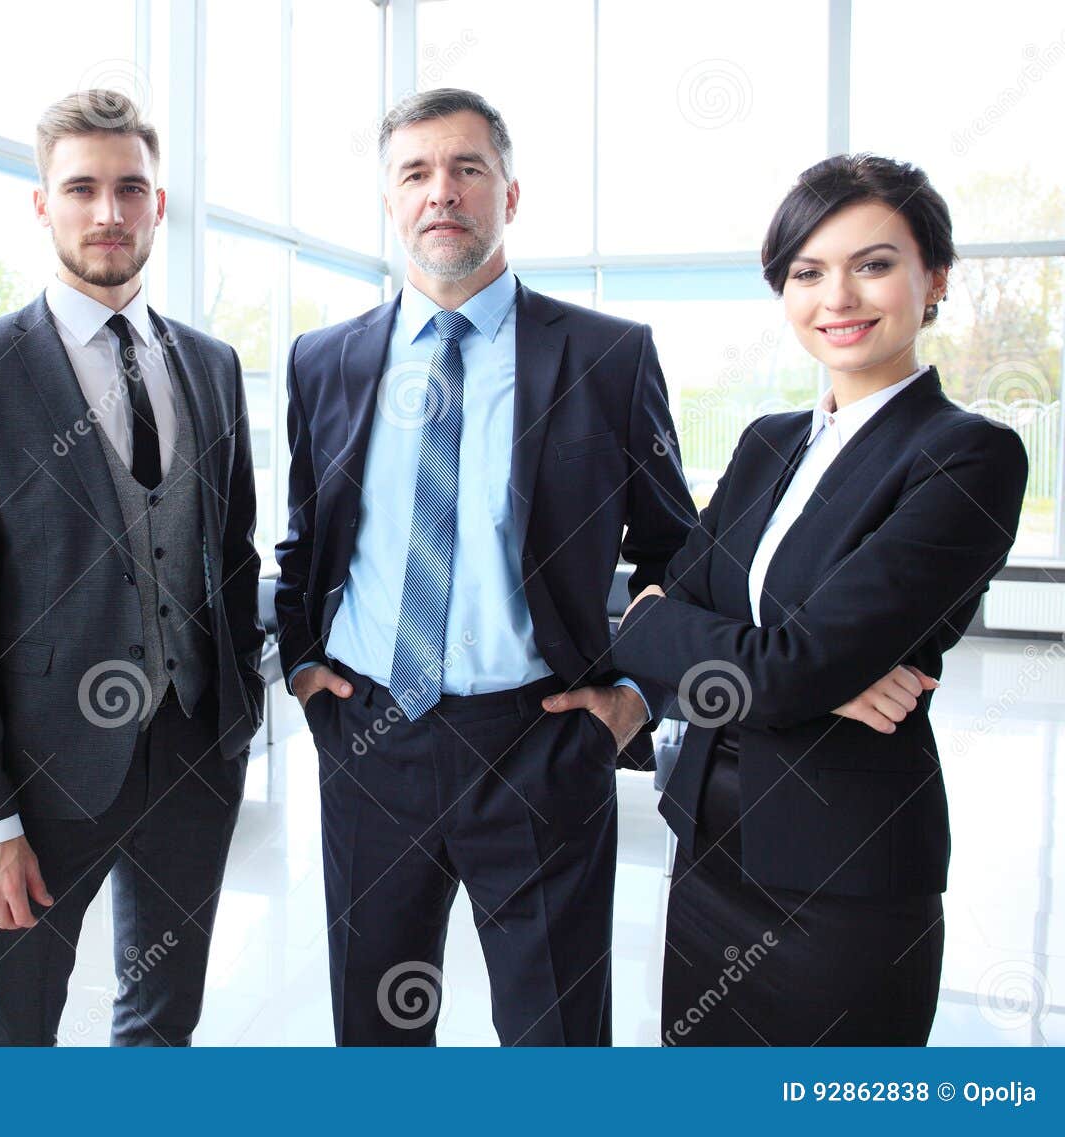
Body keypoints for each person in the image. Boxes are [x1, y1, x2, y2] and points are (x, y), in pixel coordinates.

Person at [274, 88, 696, 1046]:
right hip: (372, 738)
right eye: (416, 173)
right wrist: (302, 667)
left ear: (510, 193)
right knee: (375, 1035)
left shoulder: (608, 356)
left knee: (556, 1040)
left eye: (468, 168)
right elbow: (306, 538)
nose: (443, 191)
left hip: (541, 741)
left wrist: (638, 695)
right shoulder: (324, 361)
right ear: (390, 200)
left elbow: (676, 551)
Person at [613, 153, 1029, 1046]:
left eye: (872, 264)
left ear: (935, 277)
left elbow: (764, 659)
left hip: (844, 879)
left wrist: (698, 637)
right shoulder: (767, 443)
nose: (837, 296)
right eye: (807, 272)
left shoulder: (968, 455)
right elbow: (660, 622)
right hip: (707, 847)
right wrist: (793, 669)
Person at [0, 89, 265, 1046]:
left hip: (195, 750)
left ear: (158, 204)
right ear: (43, 205)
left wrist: (236, 714)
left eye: (130, 188)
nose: (108, 211)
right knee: (20, 1021)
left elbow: (233, 553)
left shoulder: (212, 363)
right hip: (43, 768)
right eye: (81, 189)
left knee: (165, 1014)